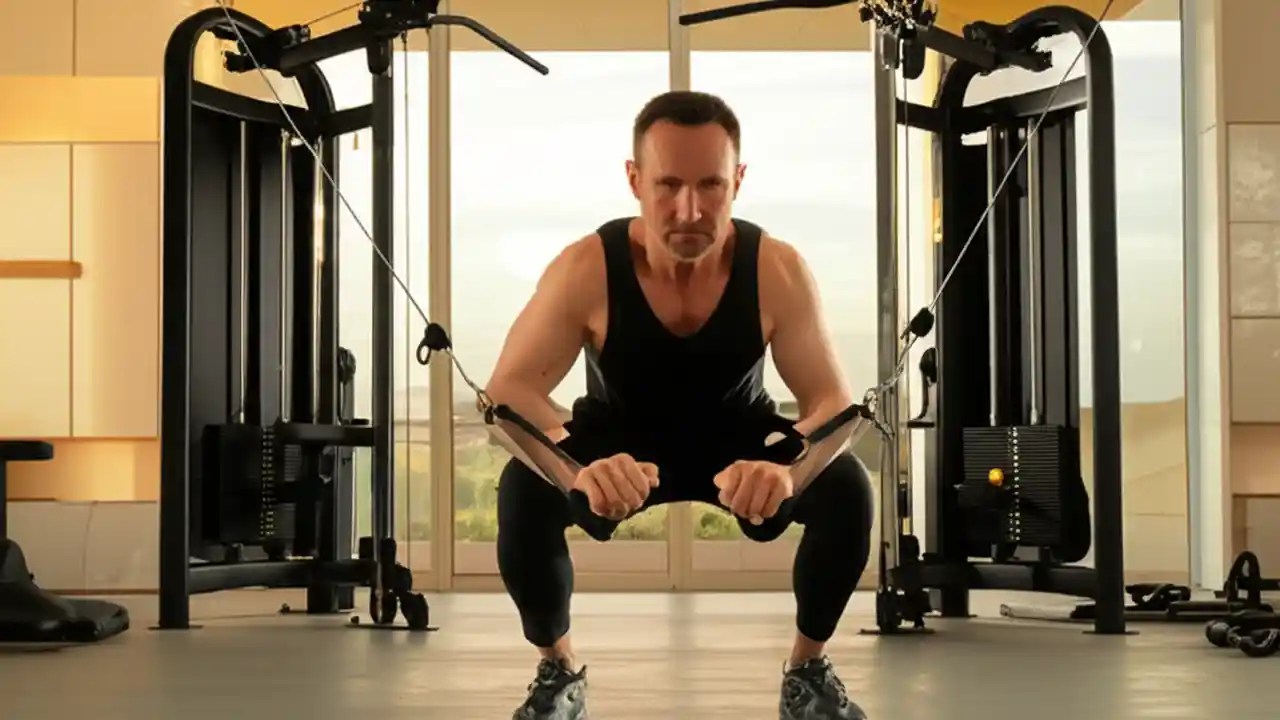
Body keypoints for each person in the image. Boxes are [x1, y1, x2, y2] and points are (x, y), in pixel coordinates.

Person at [484, 89, 875, 720]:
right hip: (616, 440)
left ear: (738, 182)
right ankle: (558, 672)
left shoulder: (775, 267)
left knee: (847, 488)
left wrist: (789, 470)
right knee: (522, 490)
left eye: (710, 185)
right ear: (634, 180)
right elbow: (508, 395)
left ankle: (807, 672)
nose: (689, 210)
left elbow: (833, 401)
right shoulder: (587, 267)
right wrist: (575, 468)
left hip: (740, 439)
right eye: (667, 184)